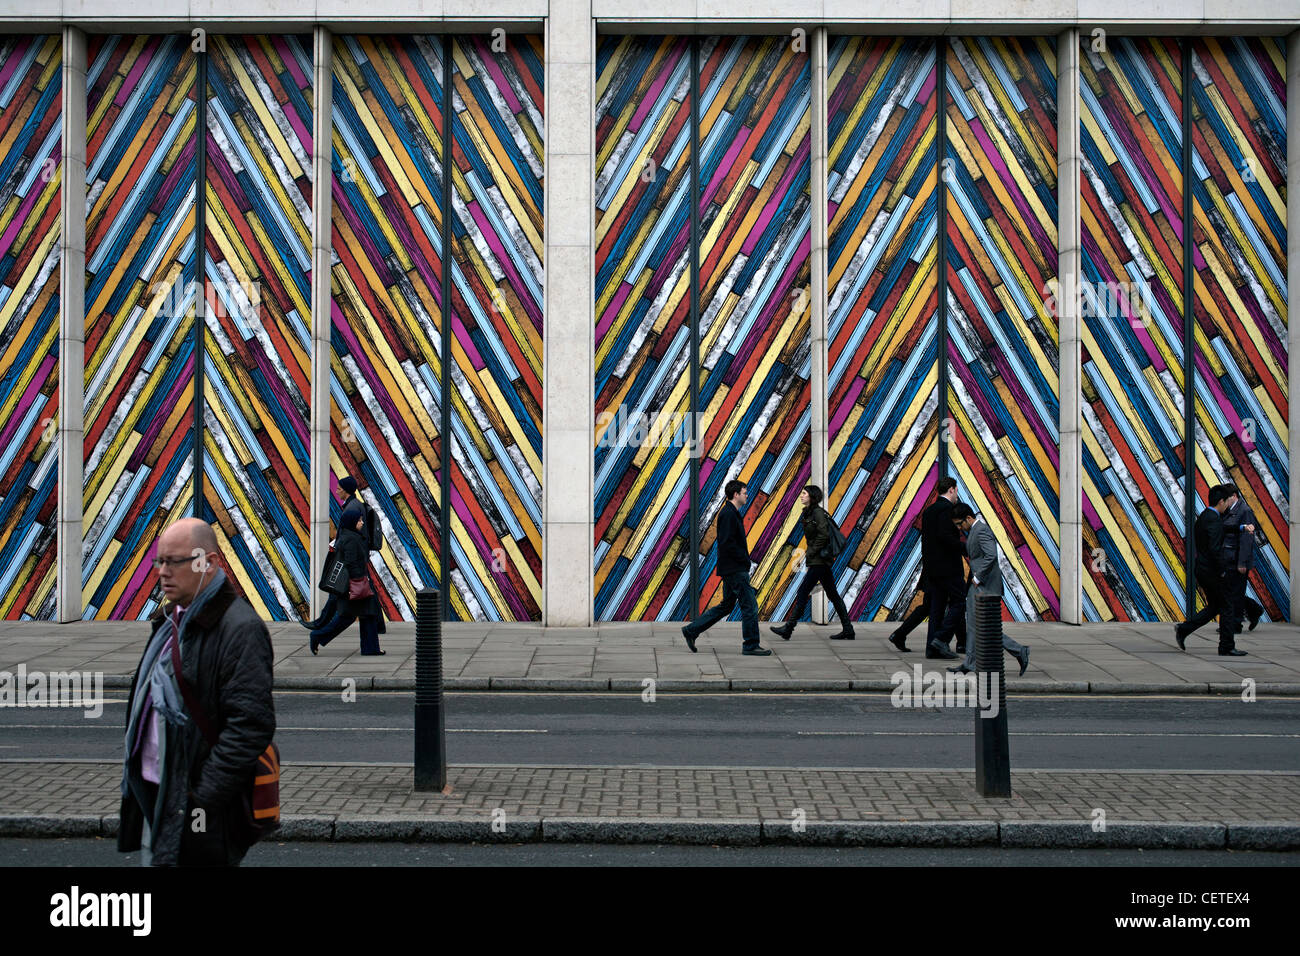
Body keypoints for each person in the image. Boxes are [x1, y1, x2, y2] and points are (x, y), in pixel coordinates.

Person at [119, 517, 276, 866]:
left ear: (209, 562)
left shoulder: (240, 629)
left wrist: (201, 800)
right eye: (159, 561)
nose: (163, 572)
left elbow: (250, 727)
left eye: (175, 561)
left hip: (196, 805)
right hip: (158, 793)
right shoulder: (170, 620)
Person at [682, 479, 771, 656]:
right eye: (744, 493)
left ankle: (691, 630)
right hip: (735, 569)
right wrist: (744, 561)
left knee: (726, 606)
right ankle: (751, 645)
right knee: (750, 606)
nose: (747, 495)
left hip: (731, 567)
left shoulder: (730, 512)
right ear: (736, 494)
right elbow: (727, 543)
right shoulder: (729, 514)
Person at [949, 502, 1029, 676]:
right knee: (973, 624)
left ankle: (1019, 650)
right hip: (978, 585)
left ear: (968, 518)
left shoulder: (981, 531)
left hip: (985, 585)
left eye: (960, 524)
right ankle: (970, 663)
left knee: (985, 627)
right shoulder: (973, 531)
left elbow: (991, 555)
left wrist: (978, 577)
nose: (959, 528)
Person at [770, 485, 854, 641]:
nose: (801, 496)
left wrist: (810, 552)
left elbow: (823, 535)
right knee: (832, 594)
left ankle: (788, 628)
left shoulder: (817, 513)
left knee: (803, 591)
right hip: (818, 560)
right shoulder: (809, 512)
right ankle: (848, 629)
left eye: (804, 493)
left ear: (812, 497)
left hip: (819, 560)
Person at [310, 505, 386, 656]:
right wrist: (360, 581)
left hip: (353, 585)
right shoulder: (351, 539)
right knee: (350, 617)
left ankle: (370, 648)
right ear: (352, 522)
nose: (362, 523)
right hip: (355, 585)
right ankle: (317, 636)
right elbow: (351, 563)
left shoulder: (347, 536)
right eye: (359, 520)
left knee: (364, 614)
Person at [303, 476, 376, 630]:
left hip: (350, 555)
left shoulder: (352, 508)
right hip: (355, 554)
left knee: (336, 590)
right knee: (363, 590)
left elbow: (349, 532)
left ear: (346, 490)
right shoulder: (354, 505)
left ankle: (319, 626)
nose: (336, 491)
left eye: (339, 489)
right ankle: (377, 624)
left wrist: (339, 547)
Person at [1175, 484, 1236, 653]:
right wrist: (1222, 571)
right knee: (1227, 606)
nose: (1228, 505)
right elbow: (1215, 549)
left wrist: (1240, 528)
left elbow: (1220, 530)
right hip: (1212, 572)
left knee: (1215, 606)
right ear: (1221, 501)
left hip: (1203, 569)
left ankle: (1184, 629)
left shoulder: (1205, 516)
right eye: (1227, 502)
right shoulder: (1214, 519)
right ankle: (1226, 646)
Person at [919, 476, 962, 659]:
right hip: (948, 567)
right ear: (951, 489)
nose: (957, 494)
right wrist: (965, 548)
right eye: (956, 490)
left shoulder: (929, 511)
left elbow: (926, 540)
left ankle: (932, 649)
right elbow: (945, 537)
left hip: (932, 567)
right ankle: (941, 639)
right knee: (960, 601)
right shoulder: (948, 510)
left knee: (936, 608)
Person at [1218, 483, 1257, 655]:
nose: (1225, 501)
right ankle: (1253, 610)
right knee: (1232, 591)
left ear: (1234, 496)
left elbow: (1247, 540)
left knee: (1236, 592)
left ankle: (1235, 623)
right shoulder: (1229, 510)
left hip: (1237, 559)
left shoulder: (1244, 511)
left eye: (1227, 498)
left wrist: (1242, 562)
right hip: (1228, 558)